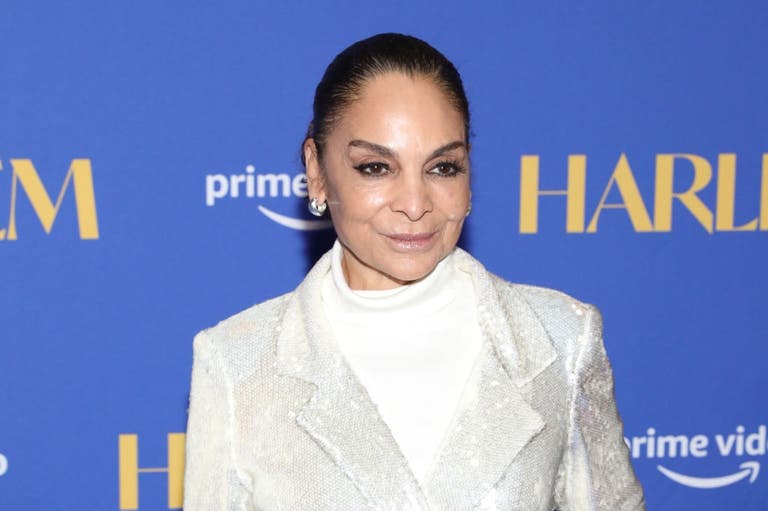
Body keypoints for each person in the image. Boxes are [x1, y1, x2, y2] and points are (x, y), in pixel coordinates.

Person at [183, 32, 645, 511]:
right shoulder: (239, 366)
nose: (414, 203)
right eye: (376, 167)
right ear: (316, 171)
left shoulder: (561, 340)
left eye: (442, 168)